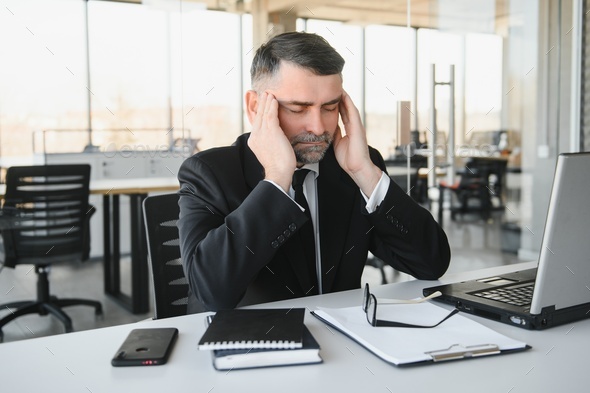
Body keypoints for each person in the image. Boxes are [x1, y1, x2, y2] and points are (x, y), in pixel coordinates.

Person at [177, 31, 450, 313]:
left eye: (330, 108)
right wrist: (276, 180)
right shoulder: (209, 173)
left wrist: (365, 173)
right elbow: (212, 292)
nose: (318, 128)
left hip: (343, 344)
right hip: (256, 347)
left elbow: (431, 264)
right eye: (298, 109)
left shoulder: (355, 166)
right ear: (256, 107)